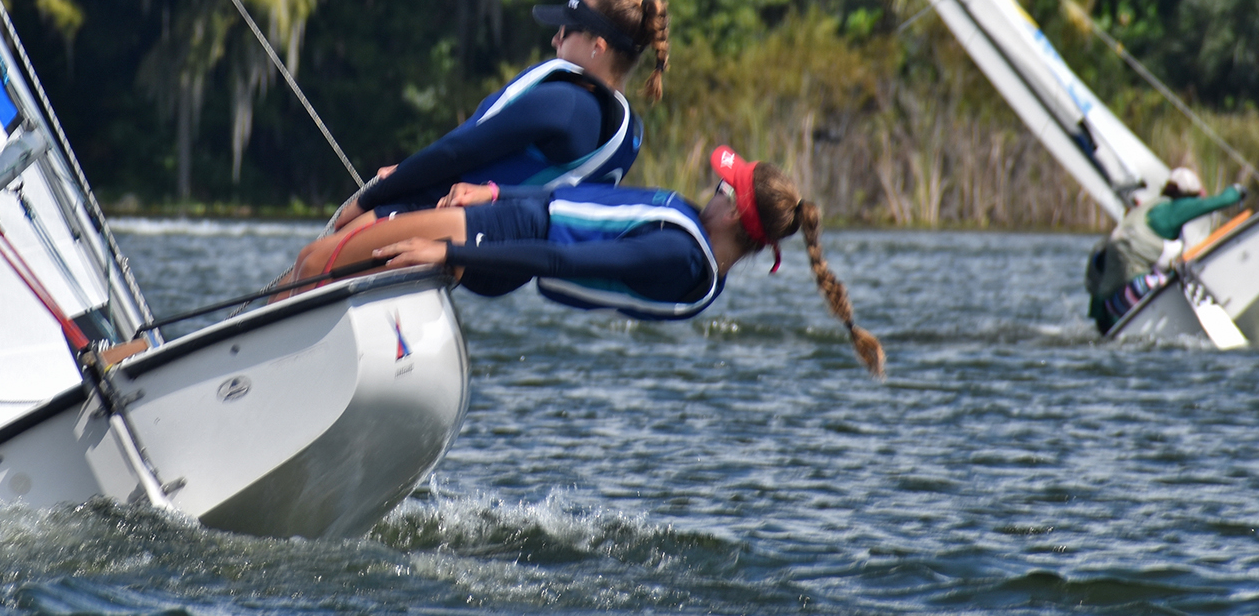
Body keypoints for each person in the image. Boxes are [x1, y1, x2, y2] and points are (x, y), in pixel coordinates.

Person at [294, 144, 886, 376]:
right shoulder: (690, 240)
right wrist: (496, 192)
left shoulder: (679, 253)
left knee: (324, 256)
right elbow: (579, 203)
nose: (712, 188)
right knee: (342, 266)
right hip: (510, 222)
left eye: (722, 189)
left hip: (509, 236)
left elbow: (562, 258)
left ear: (734, 216)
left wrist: (450, 250)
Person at [329, 0, 669, 231]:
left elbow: (459, 152)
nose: (555, 39)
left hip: (443, 218)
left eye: (566, 31)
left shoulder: (567, 102)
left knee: (311, 261)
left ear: (597, 46)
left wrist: (371, 196)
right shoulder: (629, 134)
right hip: (496, 252)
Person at [1085, 166, 1247, 334]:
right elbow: (1222, 200)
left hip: (1105, 312)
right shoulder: (1172, 210)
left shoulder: (1146, 209)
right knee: (1171, 273)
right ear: (1186, 196)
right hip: (1128, 300)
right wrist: (1238, 191)